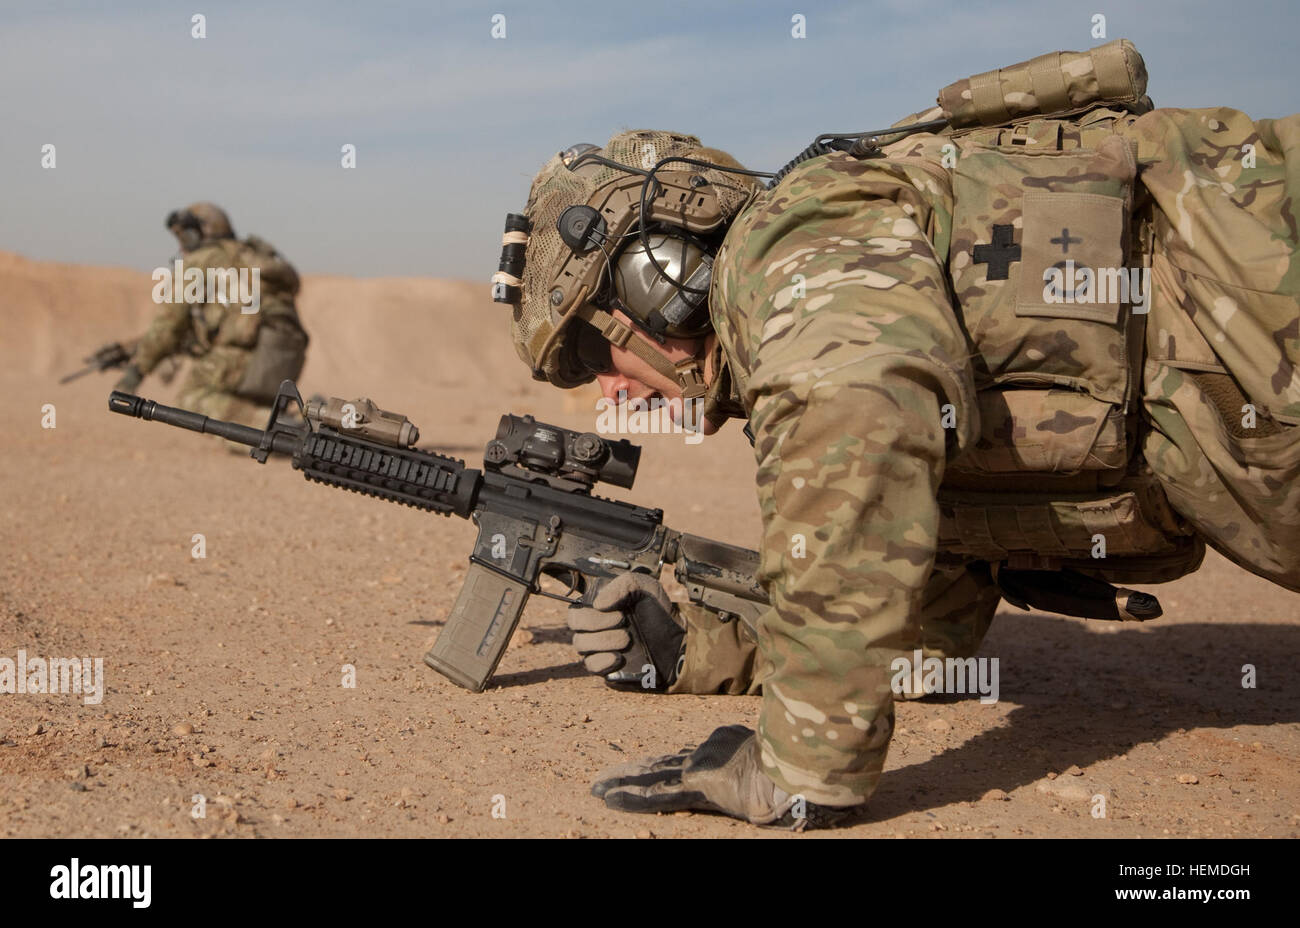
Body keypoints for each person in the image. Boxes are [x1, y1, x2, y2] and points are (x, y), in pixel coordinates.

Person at [495, 38, 1300, 827]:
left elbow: (861, 421)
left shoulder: (792, 245)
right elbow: (921, 616)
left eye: (593, 351)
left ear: (658, 279)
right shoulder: (839, 294)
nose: (607, 388)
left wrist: (798, 768)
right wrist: (696, 649)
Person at [115, 202, 309, 429]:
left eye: (184, 237)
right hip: (282, 362)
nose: (181, 247)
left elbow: (169, 325)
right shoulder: (250, 255)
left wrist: (136, 371)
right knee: (231, 397)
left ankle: (277, 430)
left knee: (190, 402)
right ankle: (283, 422)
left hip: (244, 359)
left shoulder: (202, 261)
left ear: (198, 233)